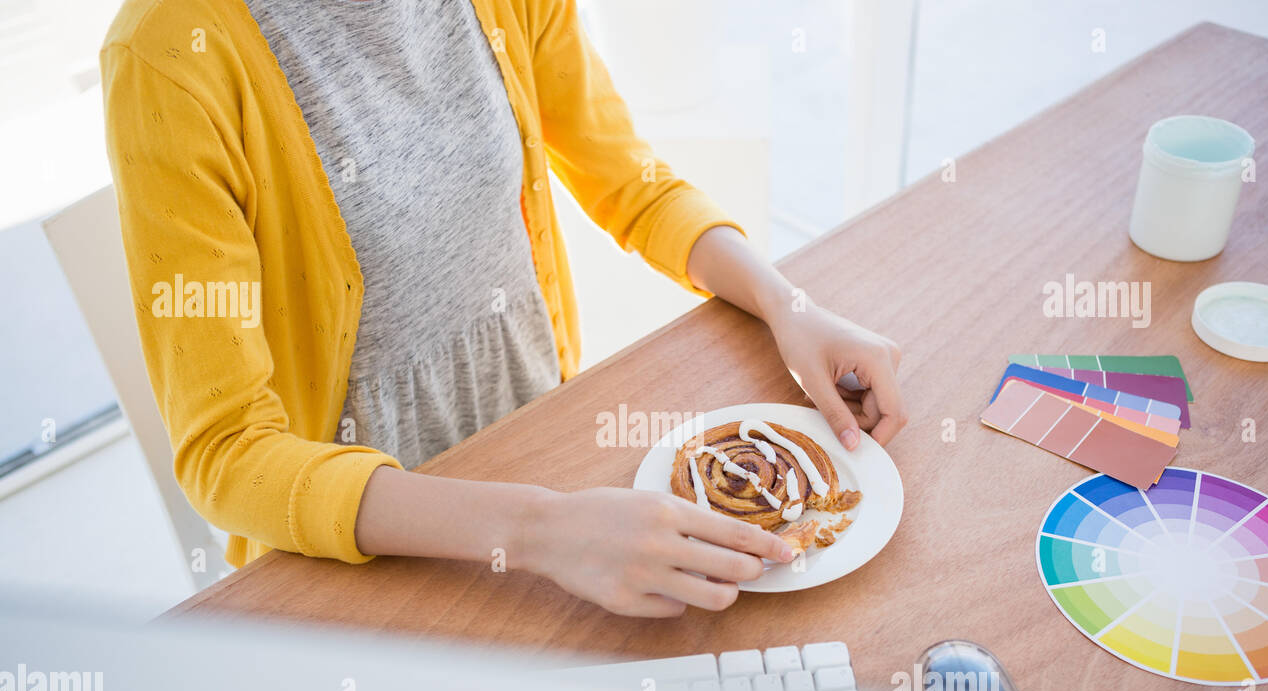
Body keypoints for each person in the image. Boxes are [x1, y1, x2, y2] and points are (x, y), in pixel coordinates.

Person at [102, 0, 906, 617]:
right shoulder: (167, 57)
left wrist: (787, 304)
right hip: (358, 555)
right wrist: (538, 531)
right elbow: (228, 453)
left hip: (543, 461)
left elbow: (630, 182)